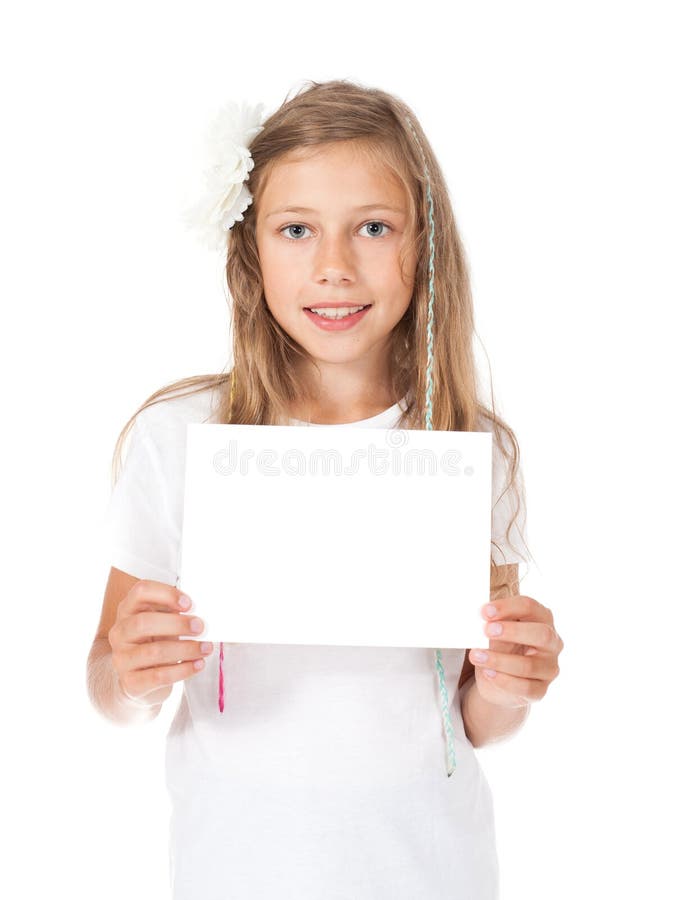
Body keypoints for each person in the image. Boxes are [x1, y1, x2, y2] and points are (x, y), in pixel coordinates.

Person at [86, 79, 564, 900]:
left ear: (425, 247)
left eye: (373, 228)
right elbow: (110, 687)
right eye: (297, 230)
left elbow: (471, 722)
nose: (334, 267)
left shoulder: (472, 447)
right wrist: (134, 674)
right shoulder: (180, 439)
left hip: (431, 871)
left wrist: (509, 683)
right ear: (251, 250)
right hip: (233, 872)